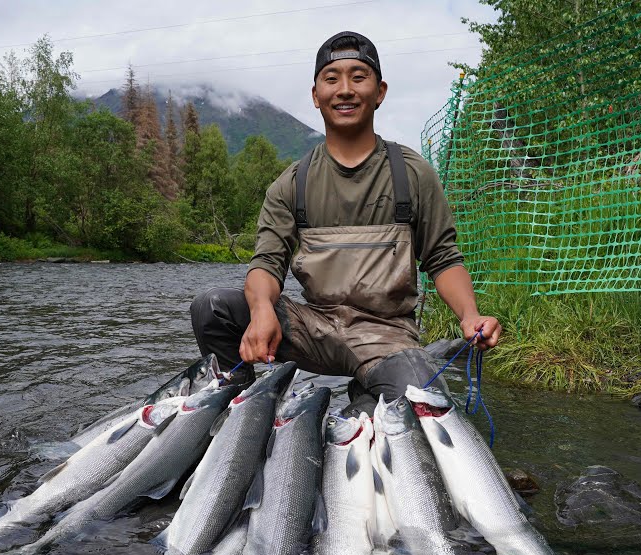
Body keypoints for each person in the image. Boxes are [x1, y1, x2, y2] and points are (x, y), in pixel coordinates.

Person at [190, 30, 500, 414]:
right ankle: (238, 413)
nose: (345, 89)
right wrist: (262, 310)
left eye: (359, 76)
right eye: (332, 78)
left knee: (427, 412)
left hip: (388, 338)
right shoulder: (292, 183)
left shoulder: (414, 173)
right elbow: (266, 265)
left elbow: (442, 257)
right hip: (313, 329)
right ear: (316, 95)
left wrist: (470, 315)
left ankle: (369, 398)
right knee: (213, 307)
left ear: (380, 91)